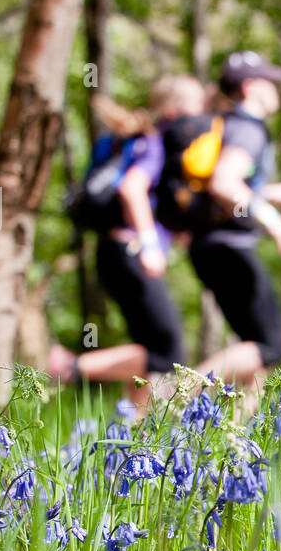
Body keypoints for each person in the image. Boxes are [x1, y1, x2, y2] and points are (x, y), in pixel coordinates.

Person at [47, 74, 207, 402]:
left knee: (148, 350)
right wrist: (149, 244)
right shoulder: (154, 140)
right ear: (176, 109)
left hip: (112, 251)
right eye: (197, 104)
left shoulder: (127, 139)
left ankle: (133, 436)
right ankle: (70, 366)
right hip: (131, 249)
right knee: (168, 354)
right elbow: (132, 188)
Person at [185, 51, 281, 396]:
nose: (277, 90)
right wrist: (275, 221)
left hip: (212, 245)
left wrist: (268, 193)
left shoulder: (229, 123)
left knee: (257, 353)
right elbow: (223, 183)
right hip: (226, 247)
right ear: (250, 86)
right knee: (268, 347)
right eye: (270, 82)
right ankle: (171, 396)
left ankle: (235, 442)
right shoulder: (247, 129)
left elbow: (226, 187)